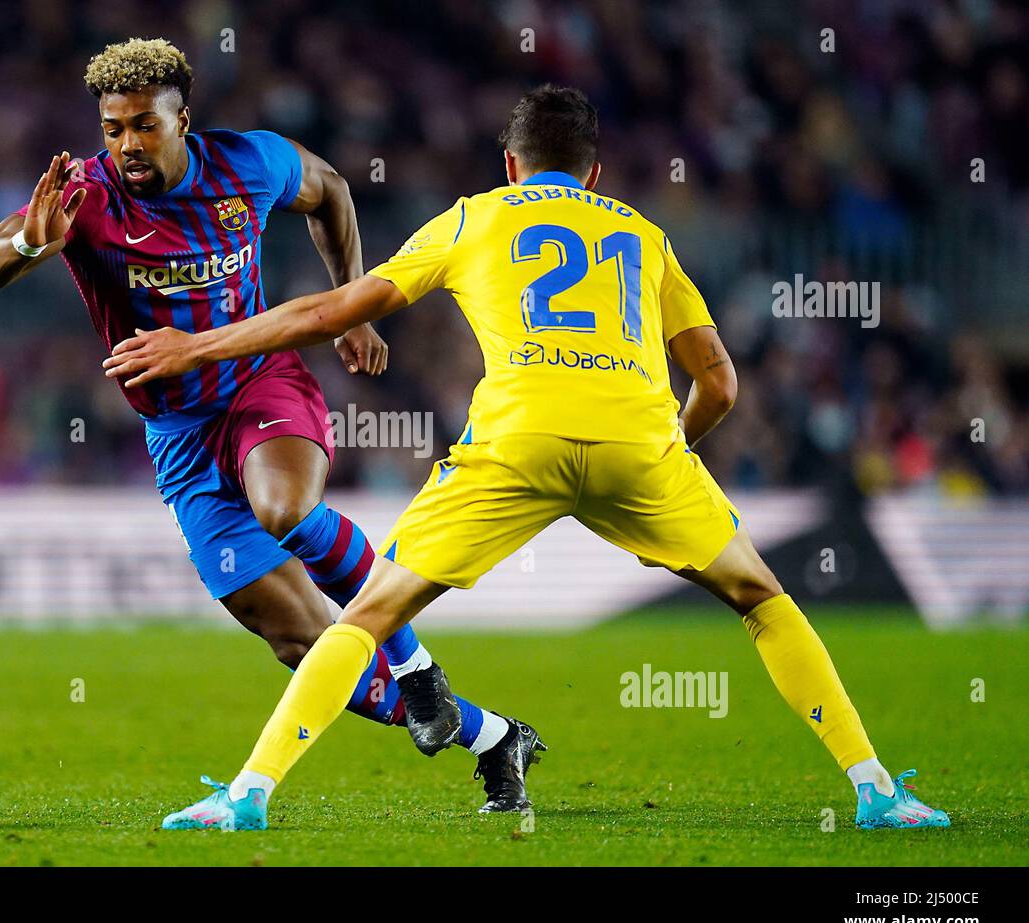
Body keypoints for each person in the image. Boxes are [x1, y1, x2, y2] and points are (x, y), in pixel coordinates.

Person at [107, 85, 950, 833]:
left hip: (517, 442)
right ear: (592, 174)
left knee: (368, 618)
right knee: (763, 598)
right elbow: (720, 384)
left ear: (511, 164)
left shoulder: (479, 216)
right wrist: (657, 457)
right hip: (640, 441)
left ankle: (250, 796)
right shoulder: (643, 233)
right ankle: (876, 790)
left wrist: (198, 345)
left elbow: (333, 310)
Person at [0, 38, 543, 819]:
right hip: (178, 437)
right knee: (305, 648)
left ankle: (416, 667)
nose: (127, 145)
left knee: (283, 508)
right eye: (111, 128)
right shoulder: (85, 197)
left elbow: (332, 189)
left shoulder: (249, 164)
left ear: (183, 120)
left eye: (143, 125)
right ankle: (492, 736)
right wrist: (32, 242)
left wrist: (348, 305)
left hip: (261, 385)